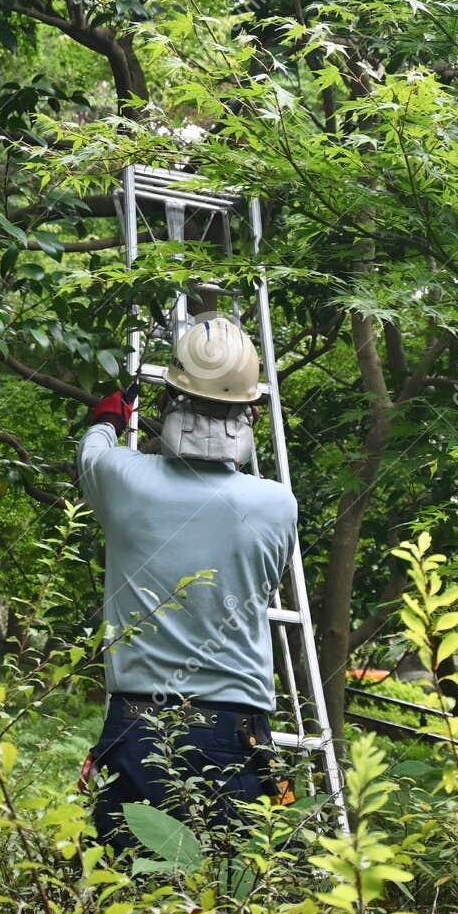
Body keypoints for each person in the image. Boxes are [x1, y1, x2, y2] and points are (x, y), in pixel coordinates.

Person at [76, 312, 299, 851]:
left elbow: (91, 453)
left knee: (128, 880)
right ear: (251, 412)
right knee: (229, 882)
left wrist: (109, 417)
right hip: (237, 730)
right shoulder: (277, 504)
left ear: (169, 400)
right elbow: (266, 584)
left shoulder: (123, 477)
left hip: (138, 723)